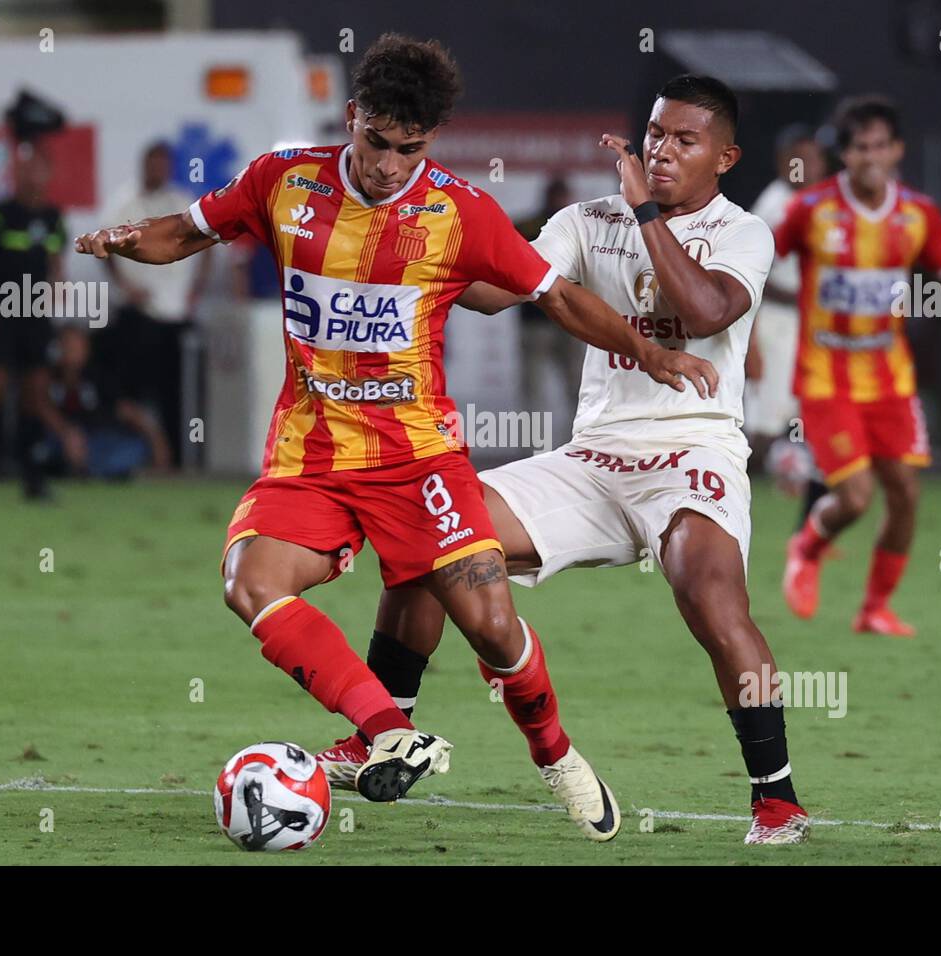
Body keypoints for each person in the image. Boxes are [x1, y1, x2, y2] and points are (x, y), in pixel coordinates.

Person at [73, 34, 715, 842]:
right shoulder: (284, 181)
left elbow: (557, 297)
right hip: (310, 458)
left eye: (408, 149)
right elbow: (189, 231)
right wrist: (132, 240)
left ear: (431, 140)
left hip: (420, 462)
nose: (387, 165)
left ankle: (555, 755)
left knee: (489, 624)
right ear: (353, 118)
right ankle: (386, 730)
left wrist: (650, 351)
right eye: (376, 142)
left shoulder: (460, 213)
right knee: (248, 578)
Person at [317, 74, 811, 845]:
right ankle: (382, 731)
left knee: (709, 592)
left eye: (685, 140)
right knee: (434, 529)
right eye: (655, 134)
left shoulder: (746, 232)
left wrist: (645, 209)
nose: (663, 150)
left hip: (693, 451)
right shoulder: (586, 220)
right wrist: (411, 246)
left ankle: (776, 799)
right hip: (592, 459)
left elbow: (704, 311)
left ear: (725, 156)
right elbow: (495, 290)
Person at [778, 96, 941, 638]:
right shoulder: (811, 210)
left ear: (897, 150)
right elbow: (755, 262)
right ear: (844, 154)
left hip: (890, 378)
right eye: (859, 147)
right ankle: (807, 546)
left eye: (880, 146)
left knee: (907, 495)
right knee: (857, 497)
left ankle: (874, 610)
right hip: (825, 379)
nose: (871, 156)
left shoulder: (917, 214)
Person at [0, 142, 72, 501]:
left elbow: (56, 266)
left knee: (35, 395)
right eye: (24, 168)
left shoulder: (53, 218)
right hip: (1, 315)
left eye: (38, 168)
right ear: (16, 173)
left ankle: (33, 481)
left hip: (35, 317)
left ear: (48, 174)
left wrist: (58, 300)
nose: (30, 175)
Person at [103, 142, 211, 467]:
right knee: (133, 390)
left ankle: (180, 457)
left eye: (164, 164)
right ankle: (137, 455)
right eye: (154, 164)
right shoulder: (126, 203)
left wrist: (196, 291)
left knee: (176, 392)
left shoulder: (180, 203)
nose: (158, 170)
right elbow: (104, 245)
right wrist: (124, 286)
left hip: (175, 313)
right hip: (139, 313)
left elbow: (209, 244)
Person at [743, 124, 824, 462]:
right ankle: (739, 485)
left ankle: (791, 479)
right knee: (766, 420)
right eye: (800, 158)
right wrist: (752, 346)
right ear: (783, 162)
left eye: (814, 158)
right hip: (773, 321)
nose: (809, 165)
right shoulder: (776, 206)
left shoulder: (813, 202)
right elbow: (751, 277)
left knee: (799, 414)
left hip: (804, 323)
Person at [46, 324, 170, 479]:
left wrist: (156, 438)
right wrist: (66, 432)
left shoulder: (100, 378)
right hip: (59, 438)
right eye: (68, 346)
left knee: (134, 447)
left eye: (78, 346)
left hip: (98, 441)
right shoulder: (46, 378)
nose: (73, 352)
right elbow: (42, 410)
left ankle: (93, 470)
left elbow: (126, 410)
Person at [513, 176, 583, 441]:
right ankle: (532, 445)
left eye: (564, 195)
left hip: (570, 322)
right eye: (558, 195)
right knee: (533, 388)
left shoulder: (580, 230)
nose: (560, 201)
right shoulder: (527, 227)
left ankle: (579, 443)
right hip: (536, 322)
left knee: (578, 387)